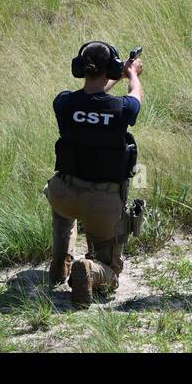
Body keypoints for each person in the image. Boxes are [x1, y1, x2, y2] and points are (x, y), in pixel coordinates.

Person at [45, 41, 144, 306]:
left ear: (80, 68)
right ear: (110, 68)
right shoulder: (120, 109)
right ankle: (89, 269)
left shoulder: (64, 103)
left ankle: (59, 263)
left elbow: (89, 98)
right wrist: (131, 73)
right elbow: (135, 97)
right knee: (110, 272)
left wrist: (114, 75)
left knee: (64, 214)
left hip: (63, 194)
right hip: (102, 203)